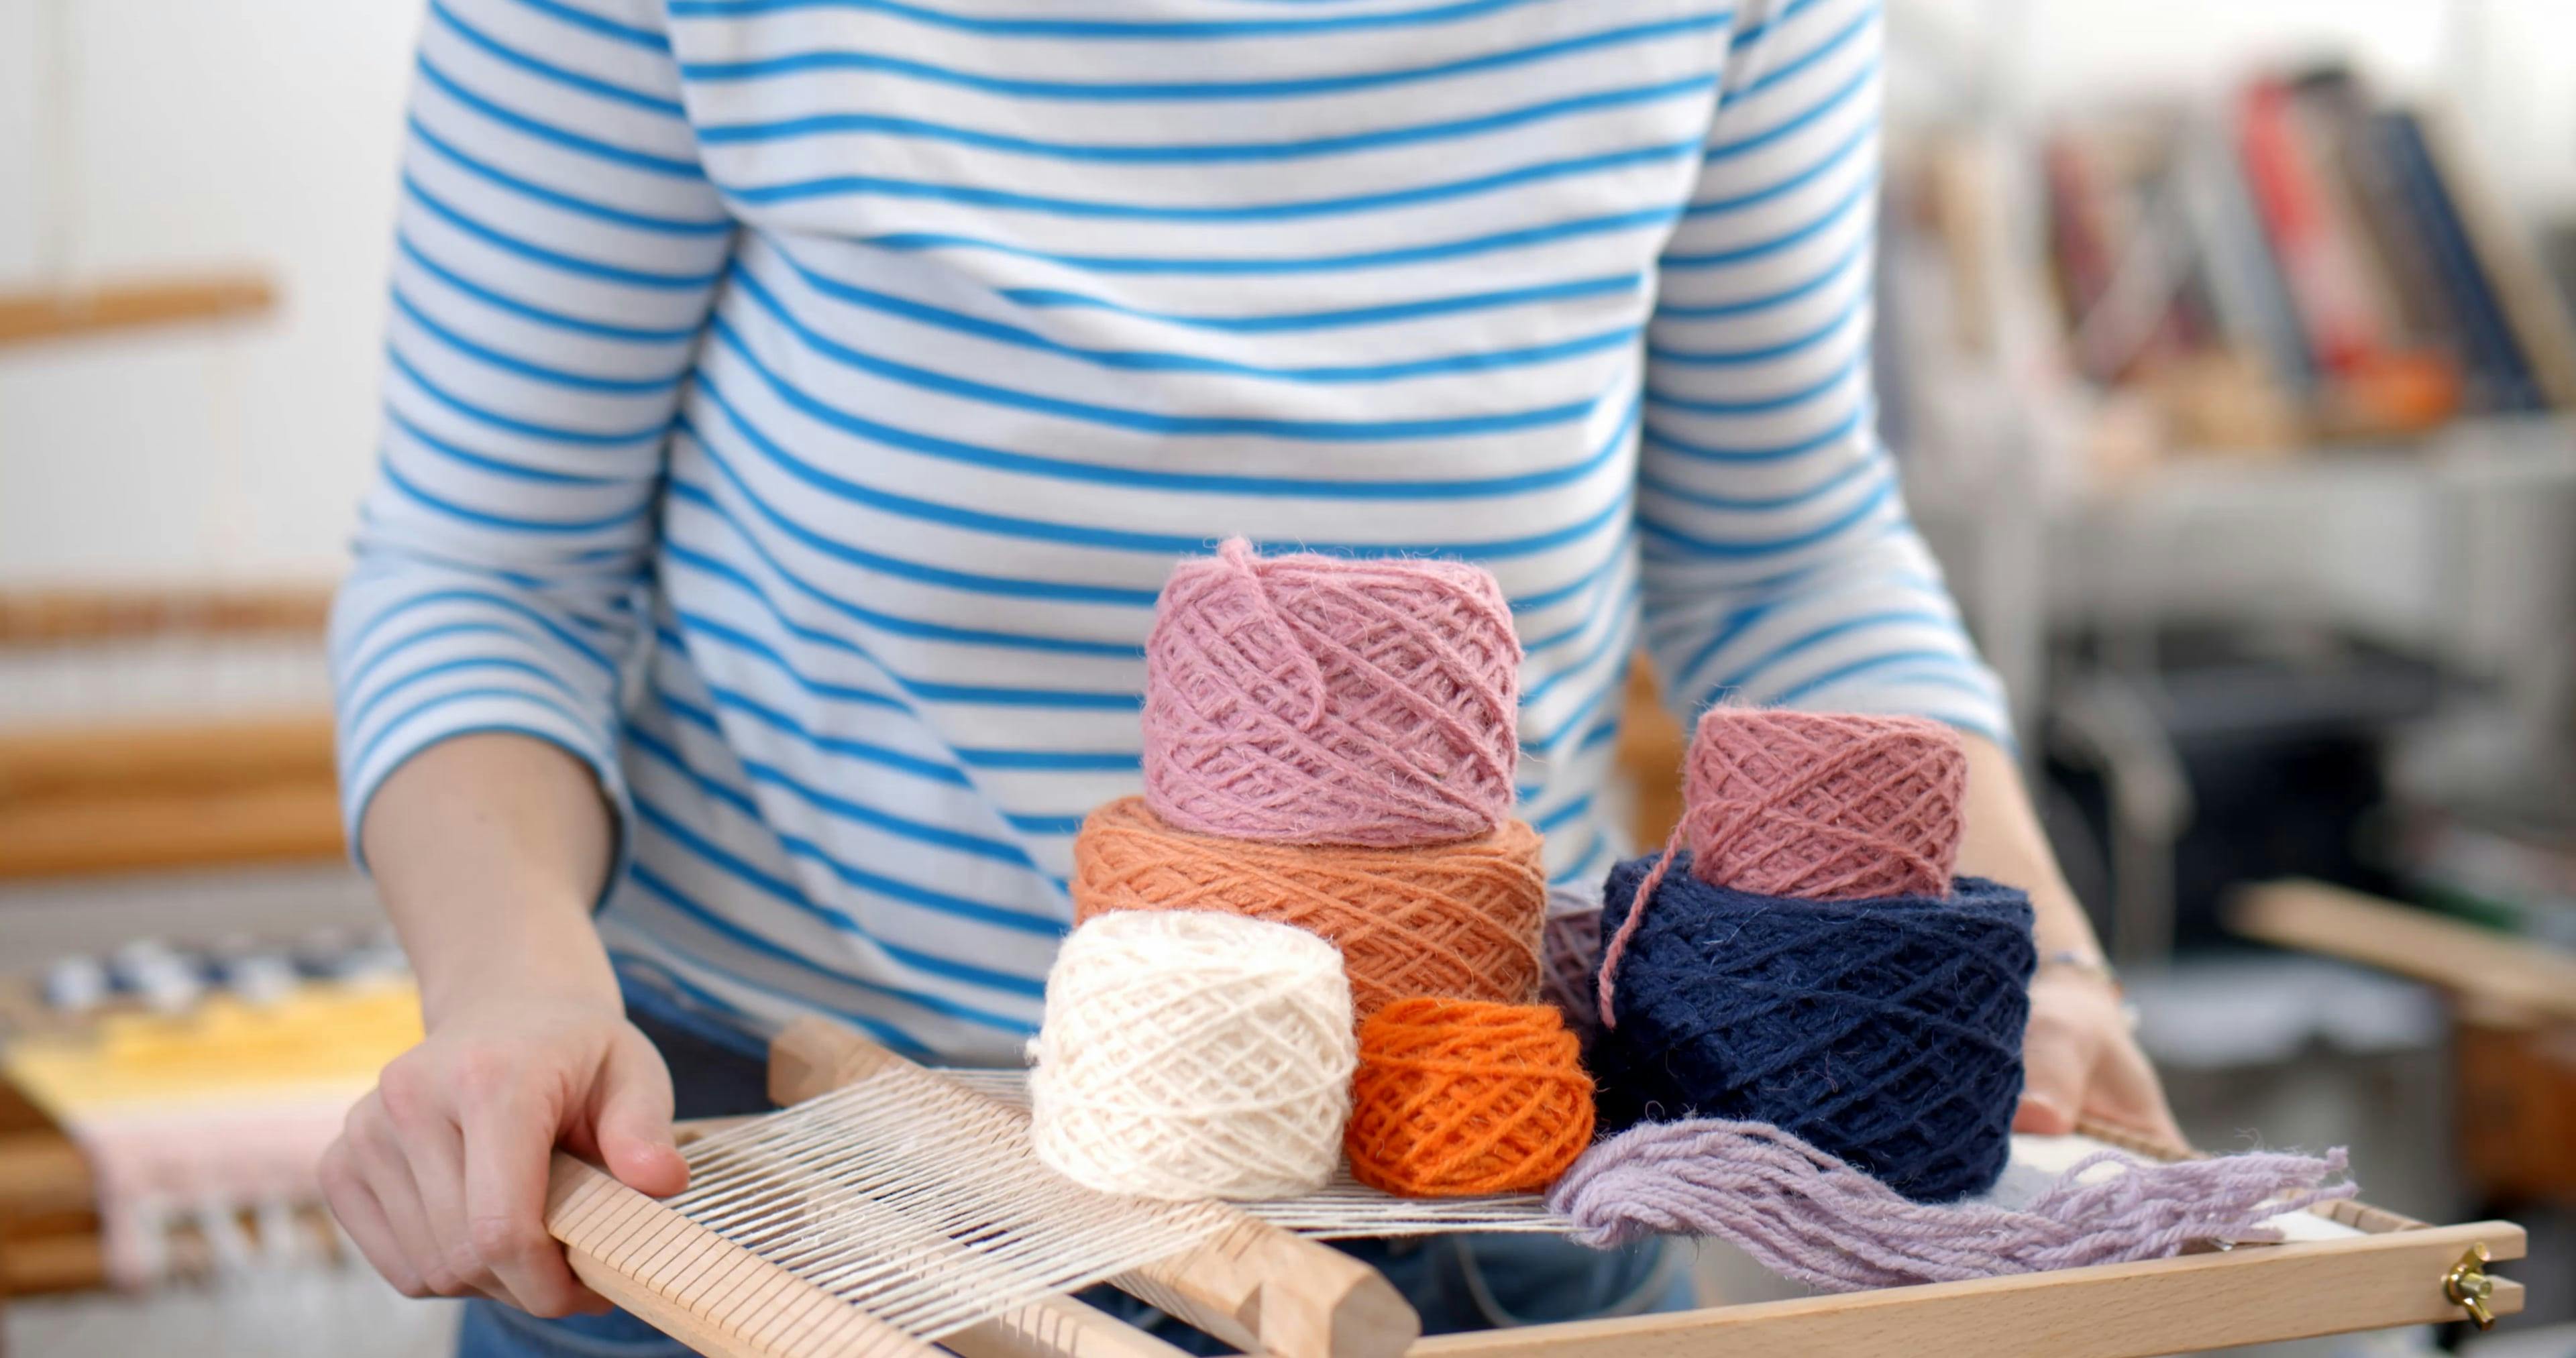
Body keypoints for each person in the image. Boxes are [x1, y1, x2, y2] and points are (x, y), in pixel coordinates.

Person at [319, 0, 2181, 1351]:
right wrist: (509, 981)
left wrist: (2042, 965)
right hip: (770, 1194)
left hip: (1484, 1193)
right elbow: (496, 568)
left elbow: (1779, 549)